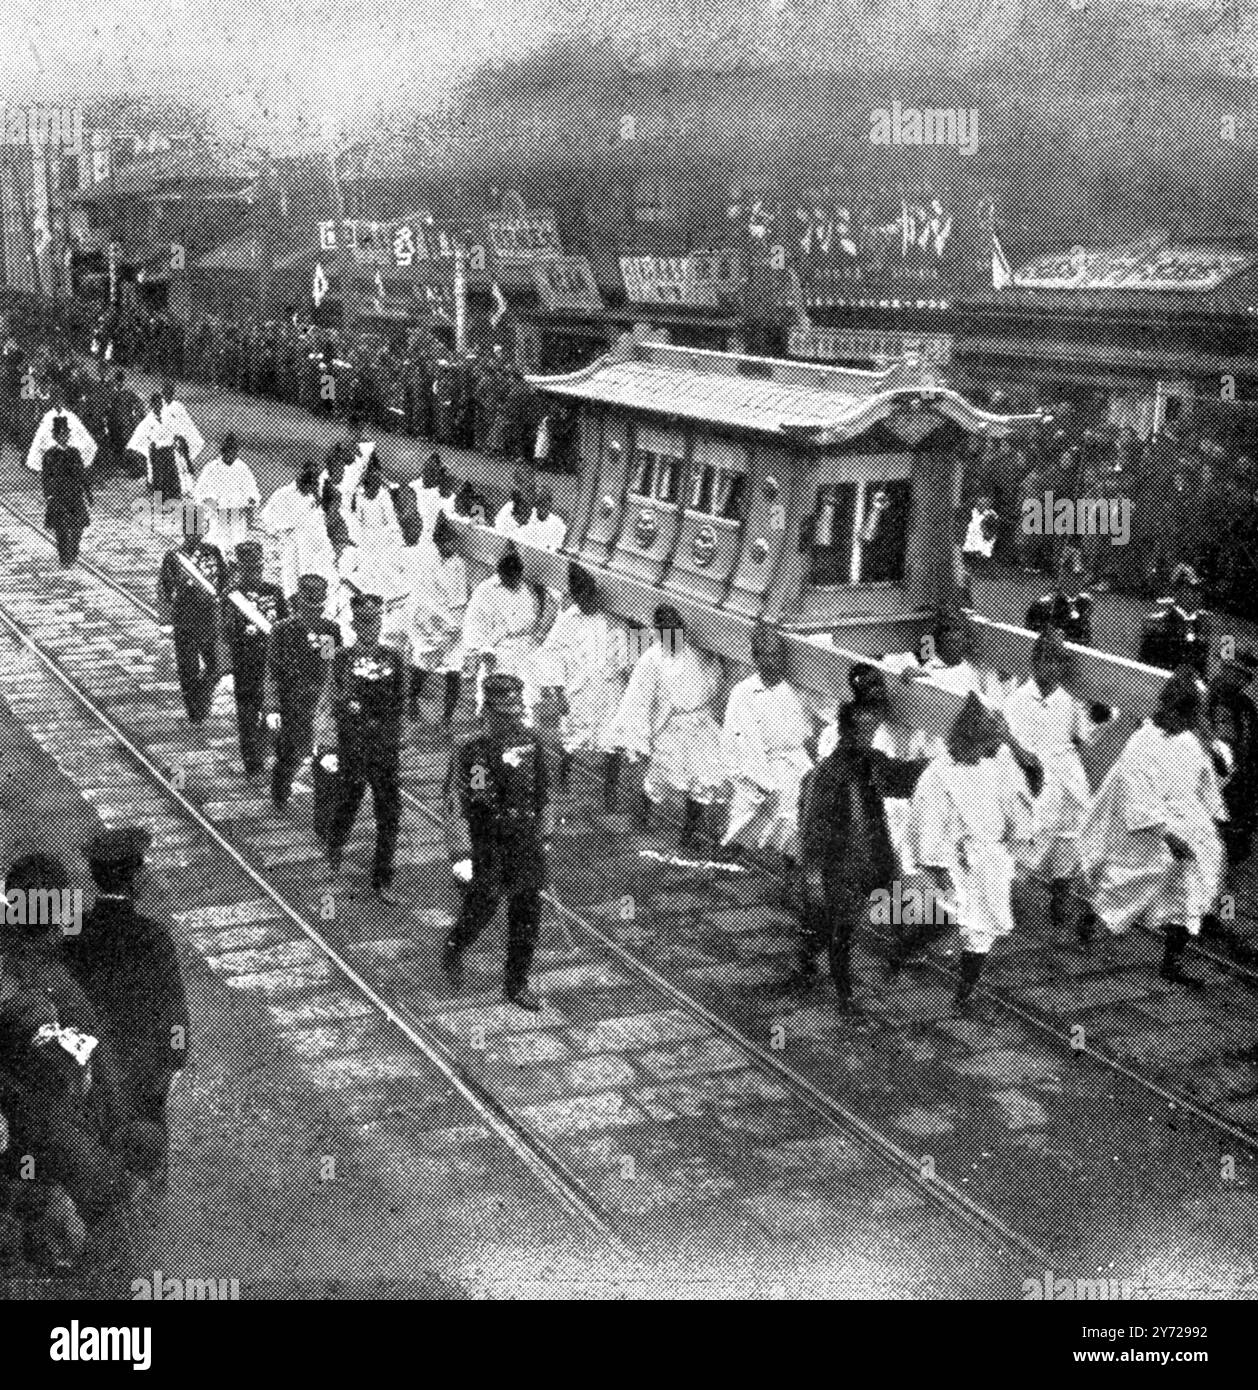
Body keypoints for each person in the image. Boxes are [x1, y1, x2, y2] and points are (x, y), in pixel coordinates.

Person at [1079, 667, 1227, 988]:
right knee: (1124, 882)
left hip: (1185, 821)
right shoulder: (1142, 744)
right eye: (1192, 714)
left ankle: (1170, 962)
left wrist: (1209, 811)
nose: (1195, 721)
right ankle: (1093, 914)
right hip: (1141, 827)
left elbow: (1209, 779)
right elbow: (1139, 801)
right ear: (1176, 710)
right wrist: (1169, 835)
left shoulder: (1189, 739)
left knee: (1192, 887)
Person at [799, 674, 928, 1016]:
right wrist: (813, 875)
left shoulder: (871, 762)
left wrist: (937, 766)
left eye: (871, 729)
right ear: (846, 730)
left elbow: (903, 778)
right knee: (839, 930)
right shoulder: (828, 774)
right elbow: (815, 829)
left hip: (875, 861)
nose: (867, 735)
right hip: (842, 867)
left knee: (913, 916)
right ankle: (843, 995)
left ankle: (898, 954)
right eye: (862, 730)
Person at [905, 693, 1038, 1014]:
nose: (995, 746)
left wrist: (1015, 849)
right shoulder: (938, 774)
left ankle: (964, 993)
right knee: (945, 919)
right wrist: (939, 868)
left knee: (983, 932)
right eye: (990, 739)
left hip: (990, 863)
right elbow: (927, 823)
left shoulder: (998, 766)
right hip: (953, 863)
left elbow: (1028, 787)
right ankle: (906, 948)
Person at [63, 827, 188, 1139]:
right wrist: (174, 1063)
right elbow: (174, 1015)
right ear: (134, 879)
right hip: (142, 1075)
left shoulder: (73, 933)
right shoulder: (153, 938)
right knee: (143, 1158)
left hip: (89, 1070)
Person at [442, 673, 554, 1011]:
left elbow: (544, 795)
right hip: (490, 840)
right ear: (488, 712)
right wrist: (461, 854)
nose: (513, 720)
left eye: (516, 712)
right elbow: (472, 802)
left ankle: (516, 983)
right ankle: (454, 947)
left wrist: (545, 831)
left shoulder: (532, 742)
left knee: (527, 915)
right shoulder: (474, 752)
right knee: (483, 908)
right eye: (505, 714)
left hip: (526, 838)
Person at [1002, 627, 1109, 944]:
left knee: (1071, 835)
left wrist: (1100, 713)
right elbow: (1011, 746)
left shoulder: (1071, 699)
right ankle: (1004, 894)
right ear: (1035, 662)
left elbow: (1087, 737)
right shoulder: (1018, 699)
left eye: (1061, 661)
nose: (1055, 668)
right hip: (1035, 777)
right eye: (1048, 660)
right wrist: (1024, 762)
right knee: (1029, 836)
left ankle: (1061, 895)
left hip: (1069, 776)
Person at [607, 605, 728, 850]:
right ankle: (641, 813)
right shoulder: (651, 659)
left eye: (677, 630)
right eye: (666, 631)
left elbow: (714, 678)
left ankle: (689, 831)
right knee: (658, 779)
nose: (673, 636)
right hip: (670, 729)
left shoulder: (697, 652)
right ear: (659, 633)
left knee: (703, 778)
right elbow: (637, 699)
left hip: (699, 724)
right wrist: (639, 738)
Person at [325, 593, 407, 902]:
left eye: (373, 620)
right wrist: (346, 699)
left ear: (381, 621)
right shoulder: (341, 657)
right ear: (354, 624)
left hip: (384, 747)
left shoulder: (395, 657)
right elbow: (333, 700)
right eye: (362, 621)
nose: (368, 627)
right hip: (355, 746)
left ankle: (382, 878)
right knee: (349, 801)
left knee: (389, 813)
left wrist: (397, 736)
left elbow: (401, 701)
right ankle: (335, 844)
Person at [721, 622, 820, 868]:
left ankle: (791, 879)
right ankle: (726, 863)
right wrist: (758, 779)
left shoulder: (798, 689)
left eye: (774, 654)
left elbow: (830, 706)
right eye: (763, 655)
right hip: (758, 764)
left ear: (783, 656)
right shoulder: (743, 692)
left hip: (794, 764)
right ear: (754, 657)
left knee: (796, 823)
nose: (769, 661)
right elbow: (735, 739)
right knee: (744, 822)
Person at [535, 563, 632, 803]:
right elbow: (550, 654)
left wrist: (636, 632)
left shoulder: (614, 617)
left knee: (613, 741)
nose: (588, 602)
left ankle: (610, 792)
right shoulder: (568, 620)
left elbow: (631, 655)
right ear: (576, 598)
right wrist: (556, 693)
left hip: (610, 690)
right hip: (581, 689)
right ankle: (562, 778)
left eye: (591, 596)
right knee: (572, 738)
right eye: (582, 598)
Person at [267, 573, 342, 810]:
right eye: (309, 607)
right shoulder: (281, 631)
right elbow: (271, 672)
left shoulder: (329, 630)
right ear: (299, 603)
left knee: (325, 759)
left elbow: (331, 666)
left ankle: (324, 812)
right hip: (291, 704)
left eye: (318, 607)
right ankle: (280, 793)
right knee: (288, 756)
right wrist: (271, 707)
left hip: (319, 705)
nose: (314, 612)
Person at [224, 540, 287, 780]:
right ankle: (253, 762)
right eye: (249, 568)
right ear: (240, 568)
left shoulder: (274, 592)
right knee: (248, 714)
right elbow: (225, 633)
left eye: (257, 567)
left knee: (273, 711)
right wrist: (227, 668)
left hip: (271, 665)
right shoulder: (231, 596)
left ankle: (263, 748)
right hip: (246, 664)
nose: (255, 572)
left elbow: (285, 625)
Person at [158, 512, 227, 724]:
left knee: (216, 666)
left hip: (209, 619)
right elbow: (164, 589)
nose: (195, 534)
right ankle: (195, 711)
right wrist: (165, 621)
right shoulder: (174, 556)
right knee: (188, 669)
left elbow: (224, 582)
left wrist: (225, 611)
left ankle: (202, 694)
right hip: (184, 619)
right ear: (185, 531)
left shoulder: (213, 552)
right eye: (191, 530)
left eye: (199, 529)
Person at [461, 544, 544, 714]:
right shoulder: (485, 591)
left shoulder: (525, 589)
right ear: (500, 573)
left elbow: (532, 619)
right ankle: (488, 724)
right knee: (493, 698)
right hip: (498, 651)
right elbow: (473, 623)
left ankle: (521, 728)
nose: (514, 581)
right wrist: (484, 649)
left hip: (524, 649)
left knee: (526, 696)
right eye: (509, 577)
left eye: (517, 577)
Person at [405, 512, 470, 724]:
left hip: (451, 620)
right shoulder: (428, 560)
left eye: (452, 542)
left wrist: (452, 629)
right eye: (445, 542)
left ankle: (447, 717)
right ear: (437, 542)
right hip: (427, 619)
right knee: (423, 664)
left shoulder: (459, 564)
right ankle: (412, 703)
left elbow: (460, 600)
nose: (449, 547)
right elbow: (422, 594)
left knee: (453, 669)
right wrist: (429, 623)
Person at [1208, 649, 1258, 878]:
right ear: (1224, 668)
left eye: (1246, 677)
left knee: (1228, 854)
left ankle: (1219, 905)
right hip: (1215, 783)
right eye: (1235, 672)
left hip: (1240, 789)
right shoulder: (1207, 697)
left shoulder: (1246, 706)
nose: (1241, 680)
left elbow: (1251, 748)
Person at [260, 465, 326, 600]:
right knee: (290, 577)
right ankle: (290, 602)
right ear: (304, 483)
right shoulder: (283, 494)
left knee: (310, 577)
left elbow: (319, 520)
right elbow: (266, 517)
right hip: (289, 542)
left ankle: (307, 603)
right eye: (312, 487)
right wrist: (282, 528)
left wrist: (318, 502)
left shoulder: (312, 498)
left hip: (308, 545)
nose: (313, 491)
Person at [1139, 564, 1213, 679]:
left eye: (1198, 590)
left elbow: (1203, 669)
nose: (1197, 595)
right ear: (1177, 593)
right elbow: (1145, 667)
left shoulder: (1205, 624)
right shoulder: (1157, 623)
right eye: (1190, 589)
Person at [192, 432, 261, 552]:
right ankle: (219, 562)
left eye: (234, 452)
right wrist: (210, 501)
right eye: (228, 452)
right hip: (219, 514)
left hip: (237, 514)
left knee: (237, 543)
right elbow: (199, 491)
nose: (231, 455)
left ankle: (234, 564)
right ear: (223, 452)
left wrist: (251, 499)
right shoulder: (212, 468)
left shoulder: (242, 468)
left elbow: (252, 490)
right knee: (218, 543)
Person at [40, 413, 93, 566]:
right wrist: (48, 495)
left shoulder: (75, 452)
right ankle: (64, 558)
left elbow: (83, 474)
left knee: (78, 526)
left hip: (75, 495)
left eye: (66, 434)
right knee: (61, 528)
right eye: (60, 434)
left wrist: (88, 493)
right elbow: (46, 477)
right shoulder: (49, 455)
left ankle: (74, 549)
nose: (64, 437)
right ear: (55, 436)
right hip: (58, 496)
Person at [1026, 545, 1095, 646]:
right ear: (1062, 574)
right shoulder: (1044, 606)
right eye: (1074, 575)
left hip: (1076, 658)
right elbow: (1027, 641)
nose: (1079, 581)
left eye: (1082, 576)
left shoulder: (1084, 603)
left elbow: (1086, 640)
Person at [128, 392, 186, 503]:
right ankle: (159, 503)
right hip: (156, 453)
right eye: (156, 404)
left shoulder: (167, 417)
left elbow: (177, 431)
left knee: (172, 476)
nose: (158, 406)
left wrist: (177, 439)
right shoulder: (148, 421)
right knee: (158, 478)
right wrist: (149, 445)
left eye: (160, 404)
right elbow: (138, 438)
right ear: (152, 405)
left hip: (168, 451)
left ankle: (175, 501)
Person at [23, 393, 98, 474]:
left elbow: (78, 431)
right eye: (55, 401)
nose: (57, 403)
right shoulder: (49, 416)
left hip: (68, 445)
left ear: (62, 400)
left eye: (59, 400)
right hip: (54, 446)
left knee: (80, 445)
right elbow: (42, 436)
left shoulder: (70, 416)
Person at [521, 487, 567, 552]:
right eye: (541, 504)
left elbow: (556, 548)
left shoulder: (558, 525)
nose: (543, 509)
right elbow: (520, 538)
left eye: (546, 505)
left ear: (550, 506)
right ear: (536, 505)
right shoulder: (526, 515)